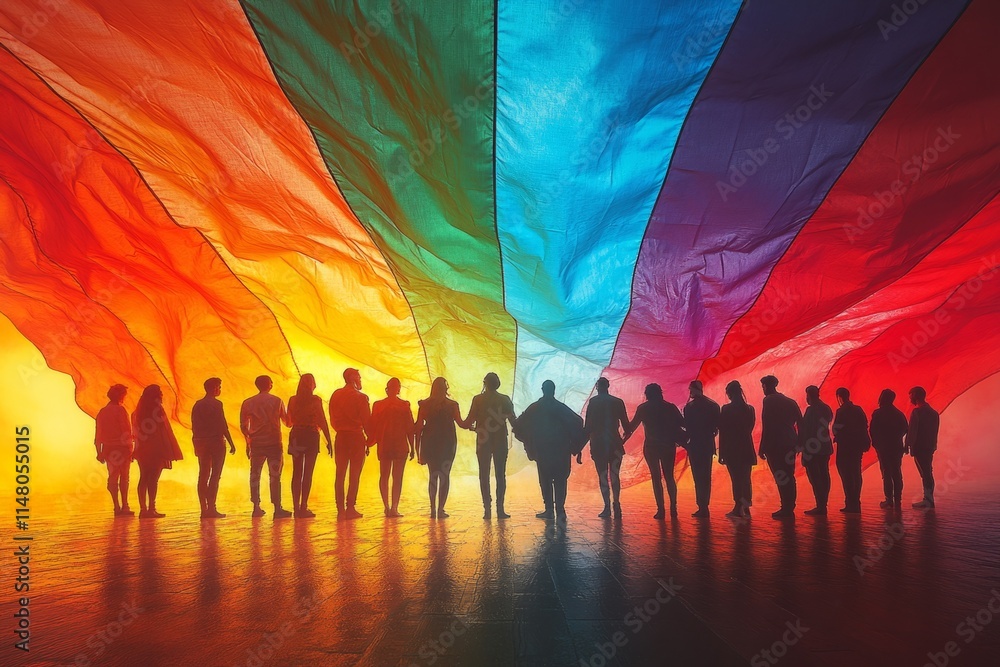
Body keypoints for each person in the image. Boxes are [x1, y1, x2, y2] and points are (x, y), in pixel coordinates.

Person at [513, 380, 586, 520]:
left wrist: (530, 441)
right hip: (561, 450)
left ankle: (549, 510)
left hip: (543, 450)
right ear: (553, 390)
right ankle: (560, 510)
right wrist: (575, 444)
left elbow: (518, 425)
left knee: (545, 480)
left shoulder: (535, 408)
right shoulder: (561, 407)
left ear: (542, 390)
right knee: (560, 480)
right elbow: (577, 421)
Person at [625, 383, 685, 519]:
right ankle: (673, 508)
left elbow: (631, 427)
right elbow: (683, 424)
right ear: (660, 393)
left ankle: (661, 510)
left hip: (651, 446)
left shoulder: (643, 408)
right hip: (668, 445)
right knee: (669, 476)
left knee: (656, 478)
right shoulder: (670, 407)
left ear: (647, 394)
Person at [465, 372, 517, 520]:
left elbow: (468, 421)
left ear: (485, 383)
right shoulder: (505, 399)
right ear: (497, 383)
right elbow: (513, 421)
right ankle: (500, 510)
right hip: (500, 440)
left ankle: (487, 510)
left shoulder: (478, 399)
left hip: (483, 441)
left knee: (483, 475)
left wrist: (471, 427)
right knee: (501, 475)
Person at [415, 377, 468, 519]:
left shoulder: (425, 405)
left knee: (433, 475)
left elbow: (419, 426)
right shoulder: (452, 405)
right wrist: (474, 424)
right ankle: (441, 509)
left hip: (430, 442)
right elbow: (461, 423)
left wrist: (417, 448)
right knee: (445, 475)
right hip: (447, 442)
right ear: (446, 388)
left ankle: (432, 509)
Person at [240, 375, 291, 519]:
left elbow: (244, 426)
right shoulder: (277, 401)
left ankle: (256, 507)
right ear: (269, 385)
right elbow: (288, 422)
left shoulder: (248, 403)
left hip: (257, 443)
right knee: (275, 476)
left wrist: (248, 441)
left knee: (255, 474)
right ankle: (277, 507)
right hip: (274, 443)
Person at [132, 385, 182, 518]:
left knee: (144, 478)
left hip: (142, 449)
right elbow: (163, 432)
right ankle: (151, 508)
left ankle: (144, 509)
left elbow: (136, 433)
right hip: (156, 449)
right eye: (159, 392)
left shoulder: (137, 412)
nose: (161, 394)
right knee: (153, 480)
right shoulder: (157, 410)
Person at [286, 373, 332, 518]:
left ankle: (295, 507)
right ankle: (303, 506)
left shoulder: (293, 400)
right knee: (308, 473)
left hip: (296, 435)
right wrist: (329, 441)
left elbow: (289, 420)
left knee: (296, 472)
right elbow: (322, 420)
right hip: (311, 436)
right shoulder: (315, 400)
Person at [368, 378, 415, 518]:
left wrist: (369, 442)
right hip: (400, 444)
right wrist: (412, 447)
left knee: (384, 476)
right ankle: (394, 507)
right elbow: (410, 428)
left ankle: (387, 507)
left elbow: (373, 426)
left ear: (387, 388)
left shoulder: (378, 405)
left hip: (384, 444)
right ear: (398, 389)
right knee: (397, 477)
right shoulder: (404, 405)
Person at [584, 377, 630, 518]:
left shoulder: (593, 402)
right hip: (615, 443)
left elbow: (587, 427)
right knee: (614, 475)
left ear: (597, 387)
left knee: (603, 475)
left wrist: (578, 447)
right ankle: (617, 504)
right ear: (608, 386)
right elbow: (627, 427)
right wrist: (622, 440)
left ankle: (607, 507)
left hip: (598, 444)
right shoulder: (618, 402)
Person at [328, 368, 371, 520]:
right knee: (354, 474)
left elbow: (332, 418)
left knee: (340, 474)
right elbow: (367, 422)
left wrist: (341, 429)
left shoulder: (335, 395)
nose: (360, 380)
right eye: (359, 377)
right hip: (356, 437)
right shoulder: (361, 398)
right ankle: (350, 507)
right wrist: (370, 439)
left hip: (341, 437)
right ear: (353, 378)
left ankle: (340, 509)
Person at [191, 377, 236, 518]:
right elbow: (222, 425)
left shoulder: (197, 405)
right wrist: (231, 442)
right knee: (215, 475)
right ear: (215, 388)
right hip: (216, 442)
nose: (220, 389)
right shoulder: (217, 404)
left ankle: (203, 509)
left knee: (203, 474)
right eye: (219, 387)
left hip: (201, 442)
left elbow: (194, 425)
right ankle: (212, 507)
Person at [759, 375, 802, 519]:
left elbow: (767, 424)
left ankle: (786, 508)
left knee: (780, 476)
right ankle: (789, 507)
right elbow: (800, 423)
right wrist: (799, 442)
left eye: (763, 386)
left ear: (767, 386)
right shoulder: (791, 402)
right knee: (789, 475)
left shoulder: (768, 400)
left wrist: (762, 446)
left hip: (774, 444)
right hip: (790, 443)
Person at [94, 384, 134, 517]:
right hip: (122, 448)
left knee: (113, 476)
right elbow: (126, 431)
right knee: (124, 477)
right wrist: (130, 448)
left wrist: (99, 452)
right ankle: (125, 505)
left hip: (108, 449)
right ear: (120, 396)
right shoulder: (120, 410)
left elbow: (98, 433)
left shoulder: (102, 412)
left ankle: (116, 506)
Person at [718, 380, 756, 519]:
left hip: (731, 448)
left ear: (729, 393)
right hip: (746, 447)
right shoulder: (750, 409)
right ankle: (746, 507)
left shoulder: (726, 409)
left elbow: (723, 432)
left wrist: (721, 453)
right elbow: (750, 428)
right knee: (746, 478)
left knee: (736, 479)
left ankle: (737, 507)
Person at [683, 380, 720, 518]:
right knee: (706, 476)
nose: (690, 392)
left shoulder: (689, 407)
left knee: (697, 477)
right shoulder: (713, 405)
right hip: (707, 446)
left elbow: (687, 428)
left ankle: (701, 506)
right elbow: (716, 427)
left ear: (693, 389)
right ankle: (705, 506)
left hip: (694, 446)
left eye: (690, 389)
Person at [832, 387, 870, 514]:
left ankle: (850, 502)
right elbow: (865, 424)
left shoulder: (841, 411)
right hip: (857, 446)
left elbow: (836, 429)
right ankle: (856, 501)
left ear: (839, 397)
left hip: (845, 447)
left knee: (846, 474)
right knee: (856, 472)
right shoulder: (858, 410)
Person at [869, 388, 908, 509]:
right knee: (896, 472)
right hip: (896, 447)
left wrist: (877, 444)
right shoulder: (899, 414)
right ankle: (898, 499)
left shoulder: (878, 413)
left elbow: (873, 430)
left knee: (886, 473)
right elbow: (905, 429)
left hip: (883, 448)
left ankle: (889, 500)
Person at [799, 385, 833, 516]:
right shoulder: (826, 408)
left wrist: (803, 449)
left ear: (809, 395)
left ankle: (820, 505)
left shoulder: (810, 410)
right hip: (824, 447)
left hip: (812, 449)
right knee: (824, 475)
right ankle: (823, 504)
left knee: (815, 477)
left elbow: (806, 431)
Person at [905, 386, 940, 509]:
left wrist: (907, 445)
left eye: (911, 396)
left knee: (925, 474)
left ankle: (928, 500)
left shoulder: (917, 412)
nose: (910, 399)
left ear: (916, 396)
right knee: (928, 472)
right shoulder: (934, 413)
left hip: (920, 448)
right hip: (929, 447)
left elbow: (912, 431)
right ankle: (929, 499)